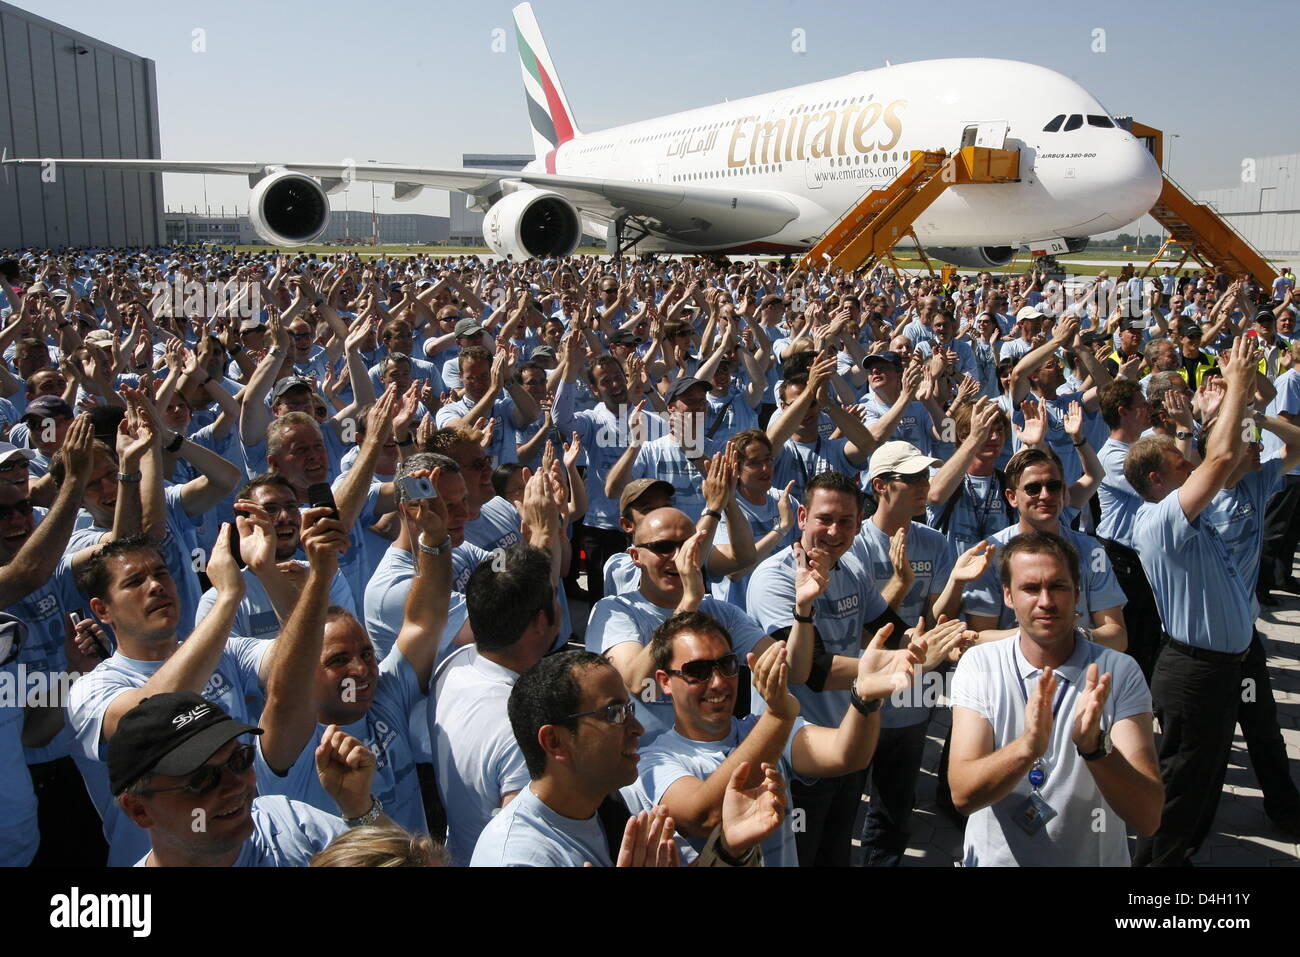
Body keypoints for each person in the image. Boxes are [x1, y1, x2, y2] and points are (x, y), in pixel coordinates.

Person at [627, 611, 925, 865]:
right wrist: (778, 716)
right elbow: (703, 816)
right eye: (698, 671)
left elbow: (847, 755)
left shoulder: (760, 729)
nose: (717, 682)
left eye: (726, 665)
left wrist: (864, 698)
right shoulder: (654, 760)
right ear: (665, 682)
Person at [948, 531, 1162, 865]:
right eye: (1031, 588)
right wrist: (1026, 748)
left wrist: (1096, 749)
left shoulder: (1118, 672)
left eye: (1058, 587)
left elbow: (1148, 816)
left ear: (1077, 594)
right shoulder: (980, 664)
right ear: (1008, 595)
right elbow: (963, 794)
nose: (1046, 601)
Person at [1126, 336, 1259, 867]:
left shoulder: (1189, 515)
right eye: (1184, 465)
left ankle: (1177, 863)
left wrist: (1246, 409)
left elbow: (1237, 455)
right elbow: (1223, 456)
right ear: (1157, 479)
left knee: (1203, 784)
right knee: (1179, 791)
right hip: (1194, 673)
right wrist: (1241, 381)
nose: (1195, 467)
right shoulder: (1161, 521)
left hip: (1220, 670)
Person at [470, 649, 783, 867]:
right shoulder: (515, 857)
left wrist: (730, 848)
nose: (637, 728)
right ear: (555, 741)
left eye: (630, 709)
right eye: (614, 714)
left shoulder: (623, 805)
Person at [109, 692, 383, 867]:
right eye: (201, 780)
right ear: (139, 809)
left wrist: (359, 808)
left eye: (238, 760)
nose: (236, 785)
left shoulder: (288, 824)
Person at [586, 505, 768, 741]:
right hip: (645, 761)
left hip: (710, 755)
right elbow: (636, 681)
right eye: (662, 547)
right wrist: (689, 602)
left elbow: (791, 667)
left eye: (686, 546)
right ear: (635, 557)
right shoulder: (615, 611)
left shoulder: (722, 613)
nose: (676, 556)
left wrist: (803, 613)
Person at [431, 539, 561, 865]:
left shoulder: (454, 664)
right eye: (554, 596)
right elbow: (524, 843)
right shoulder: (526, 726)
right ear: (541, 622)